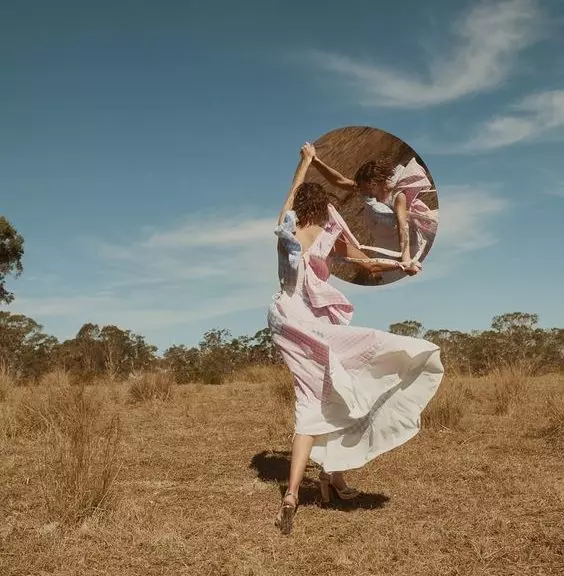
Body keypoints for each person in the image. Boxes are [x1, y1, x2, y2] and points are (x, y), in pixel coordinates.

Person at [268, 143, 444, 535]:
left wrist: (305, 163)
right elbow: (364, 258)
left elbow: (292, 195)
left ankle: (296, 492)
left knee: (312, 401)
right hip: (312, 322)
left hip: (284, 319)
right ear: (325, 209)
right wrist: (402, 262)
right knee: (344, 384)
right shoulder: (329, 233)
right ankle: (330, 476)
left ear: (299, 206)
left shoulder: (286, 228)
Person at [308, 144, 438, 279]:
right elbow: (338, 180)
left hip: (407, 245)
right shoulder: (368, 193)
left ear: (372, 184)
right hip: (386, 245)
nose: (359, 190)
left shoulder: (398, 196)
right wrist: (315, 160)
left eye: (362, 186)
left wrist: (405, 259)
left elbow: (402, 227)